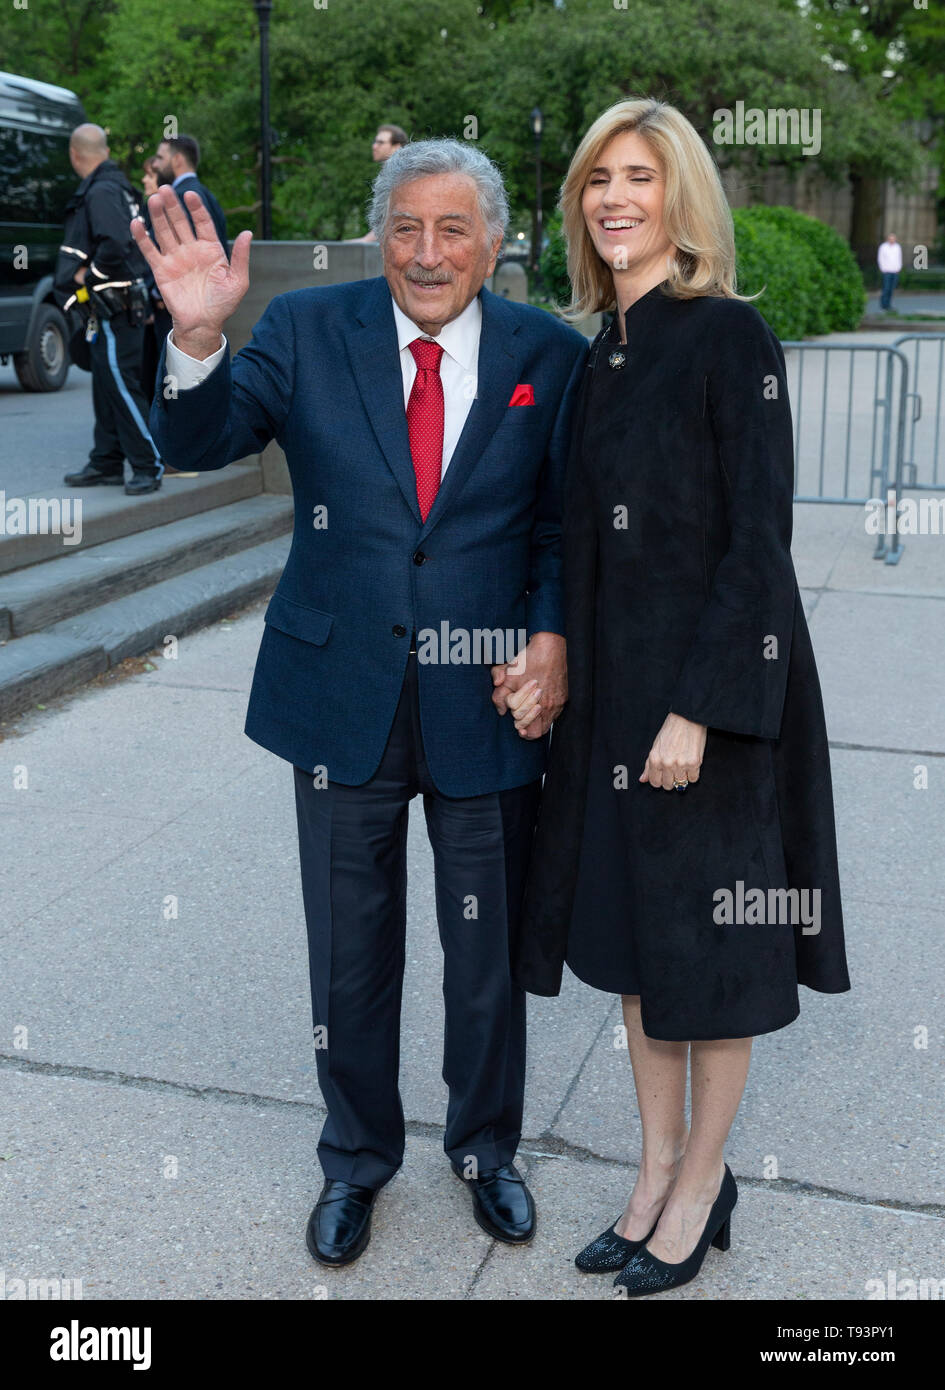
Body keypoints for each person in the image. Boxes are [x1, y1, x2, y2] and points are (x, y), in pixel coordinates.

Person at [131, 138, 588, 1267]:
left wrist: (552, 635)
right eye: (405, 228)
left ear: (493, 243)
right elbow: (204, 443)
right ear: (379, 233)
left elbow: (559, 528)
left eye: (452, 230)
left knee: (484, 959)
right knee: (350, 952)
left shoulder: (551, 352)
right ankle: (354, 1161)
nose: (427, 255)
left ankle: (486, 1152)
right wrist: (196, 336)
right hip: (340, 697)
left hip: (488, 698)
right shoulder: (303, 332)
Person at [511, 97, 851, 1297]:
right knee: (647, 959)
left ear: (682, 198)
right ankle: (653, 1169)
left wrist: (699, 709)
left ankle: (703, 1184)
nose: (614, 199)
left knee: (714, 957)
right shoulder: (596, 348)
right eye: (598, 177)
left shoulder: (726, 337)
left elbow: (761, 546)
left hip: (713, 699)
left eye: (641, 177)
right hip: (615, 699)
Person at [58, 124, 163, 495]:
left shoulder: (101, 190)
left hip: (115, 306)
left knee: (119, 381)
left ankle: (148, 464)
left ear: (75, 154)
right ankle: (106, 461)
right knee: (106, 383)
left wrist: (89, 277)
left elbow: (117, 244)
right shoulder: (117, 185)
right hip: (115, 306)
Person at [152, 133, 229, 257]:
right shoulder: (208, 195)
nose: (155, 165)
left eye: (160, 158)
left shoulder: (177, 199)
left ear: (177, 160)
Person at [350, 124, 409, 243]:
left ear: (396, 146)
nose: (374, 146)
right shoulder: (391, 172)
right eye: (375, 142)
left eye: (380, 142)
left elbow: (394, 216)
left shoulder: (404, 175)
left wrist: (366, 240)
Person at [878, 232, 902, 311]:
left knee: (891, 289)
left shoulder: (897, 247)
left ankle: (888, 304)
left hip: (895, 271)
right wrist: (883, 268)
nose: (892, 240)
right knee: (886, 288)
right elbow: (880, 258)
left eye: (893, 238)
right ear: (888, 239)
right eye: (890, 238)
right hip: (887, 271)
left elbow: (899, 258)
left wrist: (899, 268)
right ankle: (884, 304)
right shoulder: (883, 247)